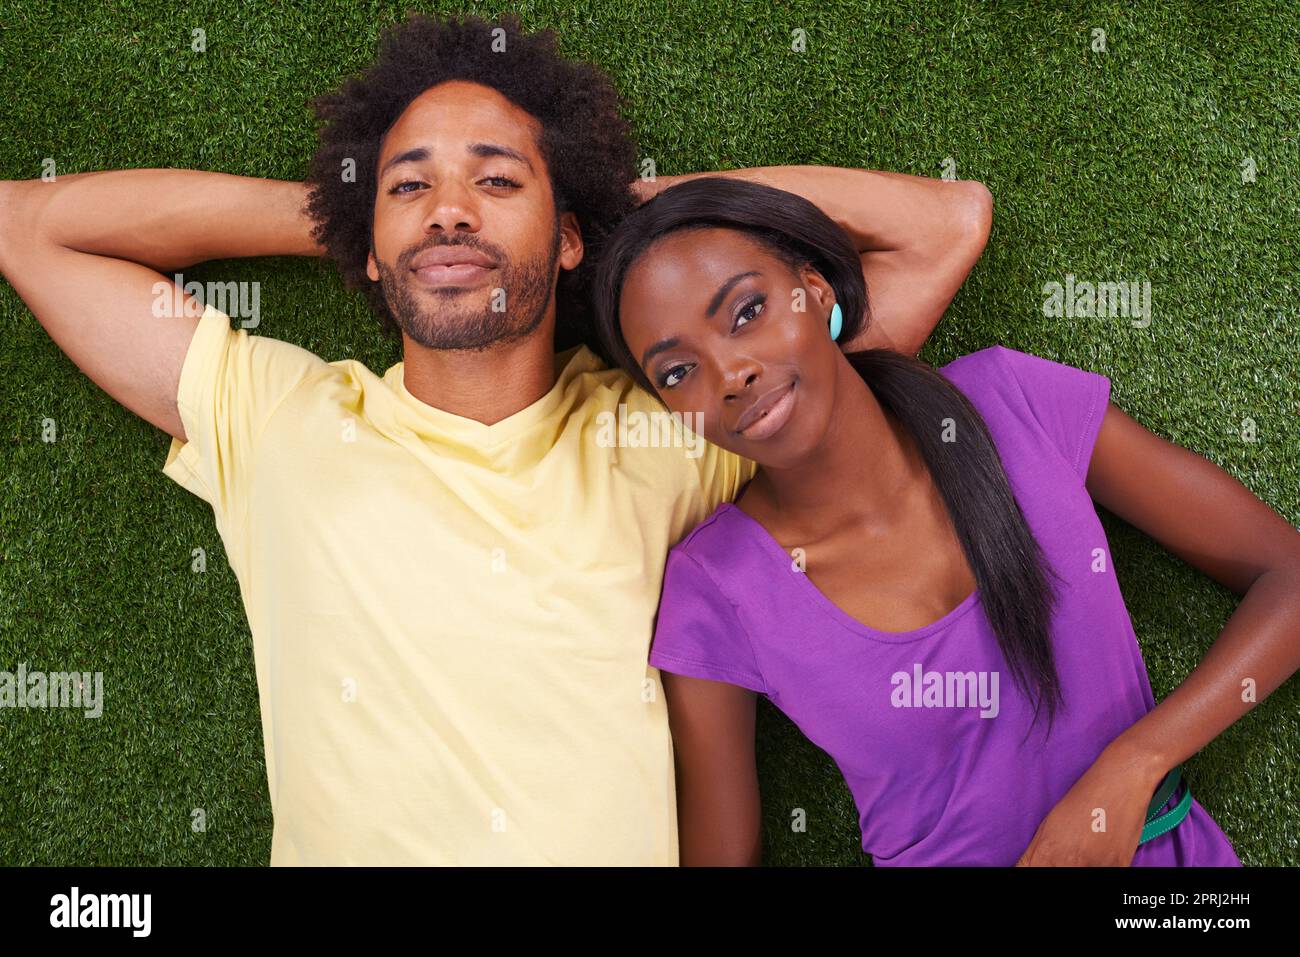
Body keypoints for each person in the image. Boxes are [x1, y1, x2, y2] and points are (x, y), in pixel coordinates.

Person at [0, 13, 993, 864]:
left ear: (566, 239)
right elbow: (28, 226)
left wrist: (609, 214)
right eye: (410, 187)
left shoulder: (673, 432)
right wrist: (351, 221)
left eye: (498, 184)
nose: (450, 213)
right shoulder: (275, 415)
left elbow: (939, 227)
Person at [591, 175, 1300, 866]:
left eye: (747, 311)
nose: (731, 373)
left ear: (815, 290)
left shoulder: (1010, 399)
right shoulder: (716, 587)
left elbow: (1288, 574)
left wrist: (1133, 764)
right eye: (678, 372)